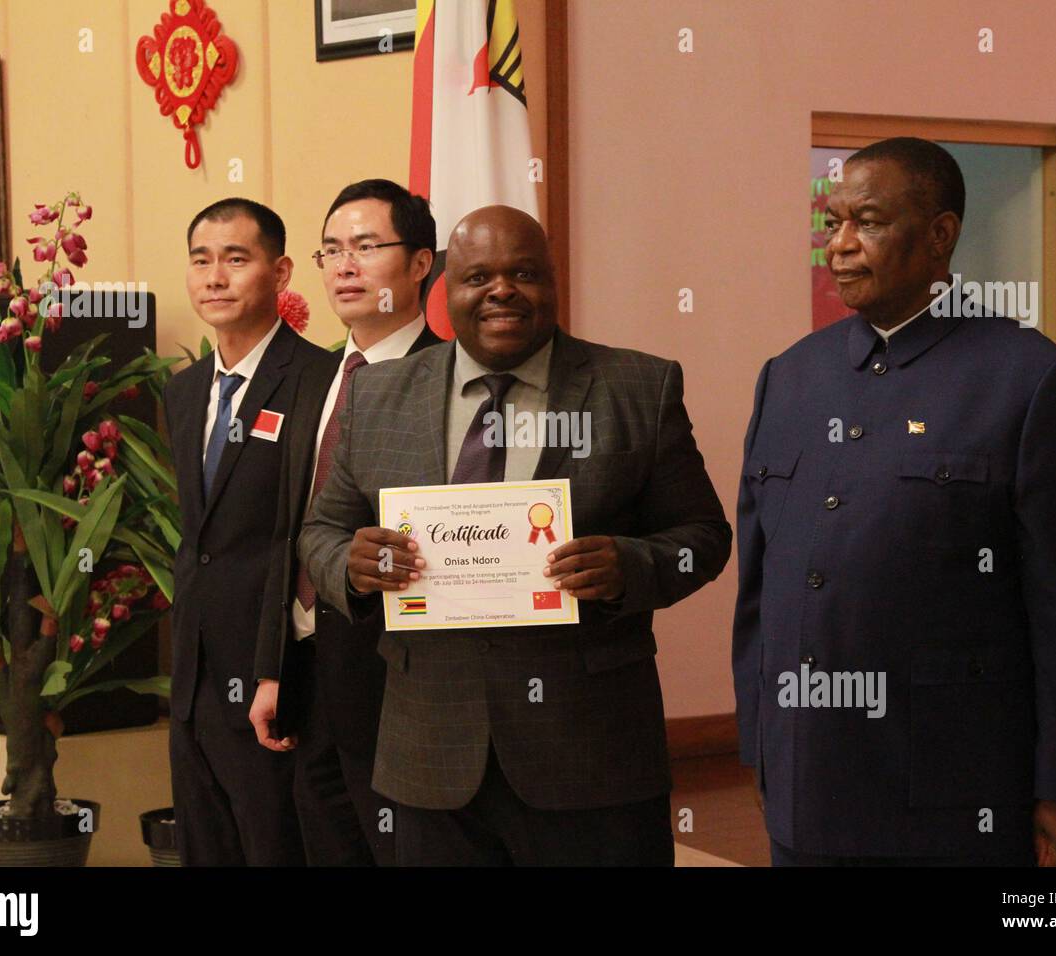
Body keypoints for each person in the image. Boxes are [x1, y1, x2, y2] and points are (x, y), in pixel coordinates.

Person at [297, 205, 731, 865]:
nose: (502, 290)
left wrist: (632, 565)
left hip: (591, 755)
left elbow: (703, 536)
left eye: (524, 273)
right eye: (479, 277)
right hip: (431, 753)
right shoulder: (380, 395)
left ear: (554, 285)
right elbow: (322, 528)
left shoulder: (637, 387)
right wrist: (349, 566)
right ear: (447, 291)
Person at [733, 137, 1056, 866]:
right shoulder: (789, 377)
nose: (841, 245)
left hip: (952, 795)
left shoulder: (1028, 380)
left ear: (940, 234)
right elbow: (758, 590)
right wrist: (761, 745)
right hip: (804, 779)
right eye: (832, 223)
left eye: (869, 222)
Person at [250, 180, 441, 865]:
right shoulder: (314, 379)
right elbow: (288, 533)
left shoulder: (452, 381)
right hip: (310, 673)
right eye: (331, 250)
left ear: (421, 263)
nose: (344, 266)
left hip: (405, 685)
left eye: (366, 246)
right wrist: (275, 665)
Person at [163, 198, 335, 865]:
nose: (215, 277)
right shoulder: (184, 391)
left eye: (236, 259)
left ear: (281, 271)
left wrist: (277, 671)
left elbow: (299, 540)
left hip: (277, 679)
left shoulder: (320, 383)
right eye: (201, 261)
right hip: (194, 680)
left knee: (277, 850)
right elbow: (199, 542)